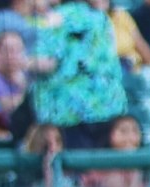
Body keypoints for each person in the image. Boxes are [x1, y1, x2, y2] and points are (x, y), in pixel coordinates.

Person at [35, 0, 128, 147]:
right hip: (105, 108)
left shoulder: (55, 18)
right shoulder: (101, 18)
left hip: (69, 111)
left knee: (77, 165)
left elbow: (45, 63)